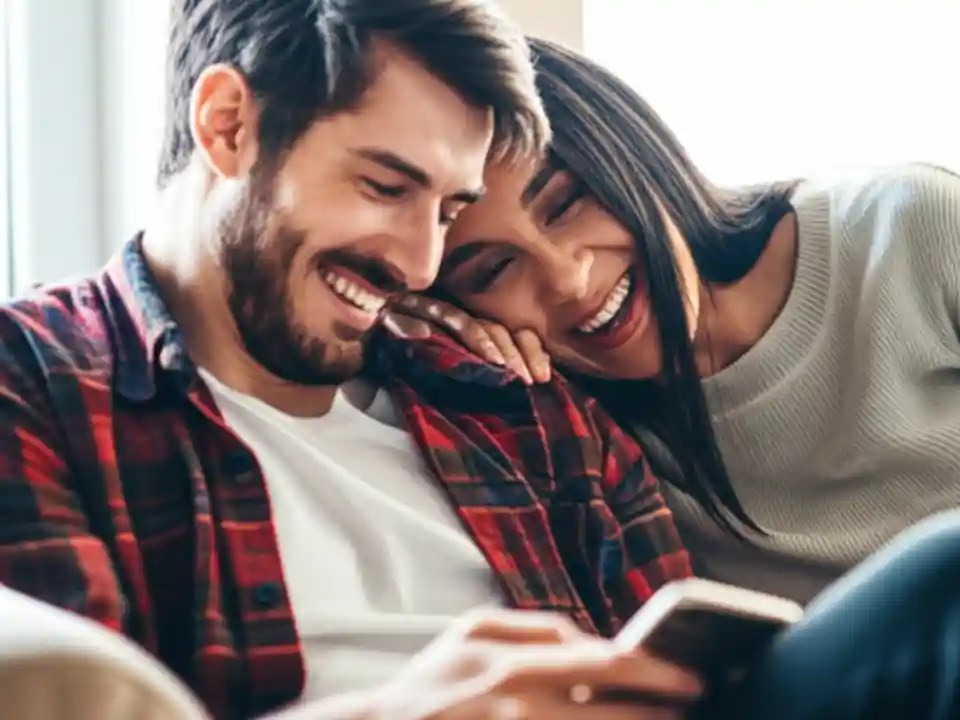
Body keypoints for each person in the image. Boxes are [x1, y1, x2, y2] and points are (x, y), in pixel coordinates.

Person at [408, 38, 960, 682]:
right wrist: (430, 329)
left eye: (567, 208)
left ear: (631, 157)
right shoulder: (581, 445)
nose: (565, 279)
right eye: (494, 270)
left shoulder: (907, 230)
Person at [0, 2, 702, 718]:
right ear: (226, 124)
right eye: (386, 188)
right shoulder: (32, 385)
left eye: (447, 213)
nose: (422, 263)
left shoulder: (521, 408)